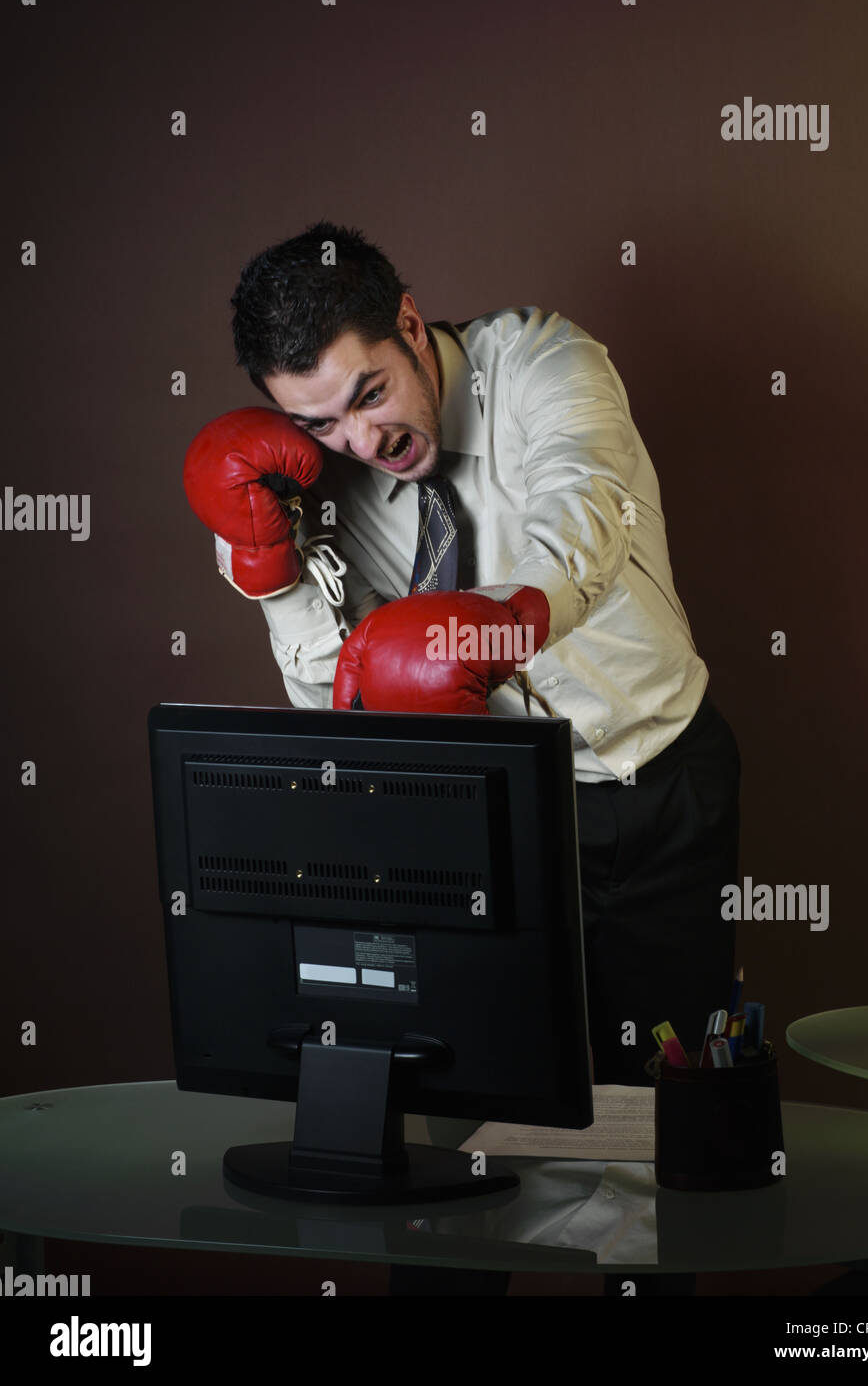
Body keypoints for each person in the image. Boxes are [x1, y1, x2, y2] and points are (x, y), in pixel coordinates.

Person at [185, 221, 741, 1296]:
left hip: (656, 780)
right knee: (463, 1114)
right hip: (483, 809)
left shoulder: (543, 364)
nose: (356, 439)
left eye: (368, 393)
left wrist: (470, 634)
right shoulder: (314, 471)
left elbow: (582, 522)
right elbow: (326, 707)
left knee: (647, 1122)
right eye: (316, 421)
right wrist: (267, 567)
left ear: (407, 323)